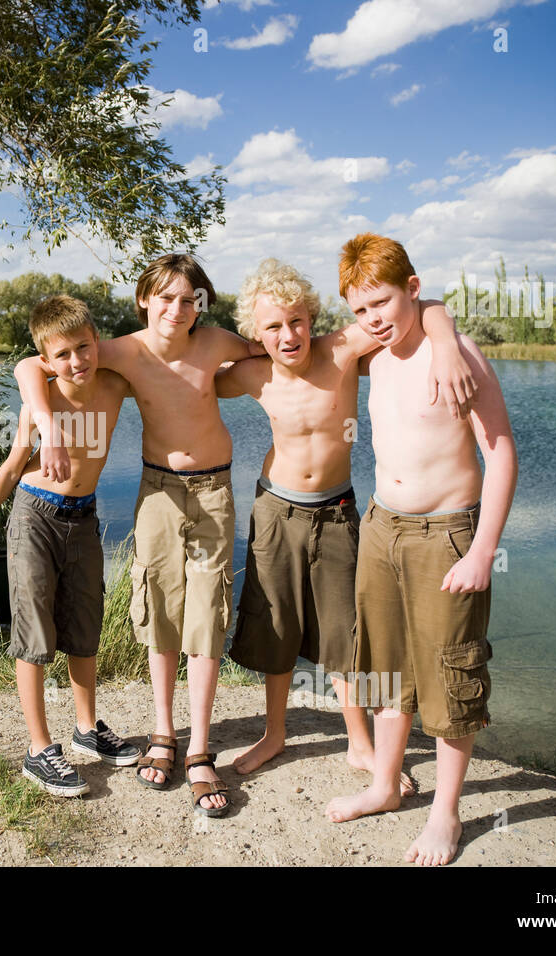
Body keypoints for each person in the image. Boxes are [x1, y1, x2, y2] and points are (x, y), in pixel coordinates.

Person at [15, 254, 263, 817]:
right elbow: (32, 366)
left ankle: (199, 749)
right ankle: (163, 733)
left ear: (201, 304)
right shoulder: (124, 350)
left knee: (207, 611)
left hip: (212, 492)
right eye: (166, 297)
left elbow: (277, 350)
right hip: (156, 491)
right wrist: (48, 426)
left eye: (190, 299)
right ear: (144, 301)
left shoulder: (218, 342)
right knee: (160, 608)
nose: (178, 309)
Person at [215, 259, 470, 795]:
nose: (289, 335)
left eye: (298, 320)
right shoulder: (250, 372)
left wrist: (445, 345)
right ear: (255, 337)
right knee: (276, 622)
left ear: (312, 317)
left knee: (345, 631)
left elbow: (425, 308)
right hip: (276, 509)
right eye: (273, 327)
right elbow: (188, 372)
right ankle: (274, 732)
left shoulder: (343, 349)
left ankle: (360, 741)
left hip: (336, 512)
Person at [324, 233, 518, 867]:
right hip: (382, 528)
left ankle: (446, 814)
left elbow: (500, 454)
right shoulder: (373, 354)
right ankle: (384, 783)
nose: (372, 319)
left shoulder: (458, 355)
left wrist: (483, 550)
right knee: (383, 665)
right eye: (359, 309)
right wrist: (428, 322)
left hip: (447, 534)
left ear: (412, 289)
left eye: (382, 302)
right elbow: (291, 344)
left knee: (450, 677)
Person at [0, 294, 140, 796]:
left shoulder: (115, 385)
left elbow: (156, 361)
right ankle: (39, 749)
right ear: (47, 360)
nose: (77, 361)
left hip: (84, 517)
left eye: (84, 347)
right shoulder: (41, 401)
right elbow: (13, 466)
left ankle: (87, 729)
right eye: (63, 355)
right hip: (35, 515)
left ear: (96, 340)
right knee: (35, 626)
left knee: (85, 623)